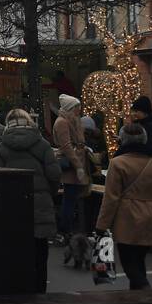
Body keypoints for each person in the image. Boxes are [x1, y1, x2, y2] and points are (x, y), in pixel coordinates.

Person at [0, 108, 61, 292]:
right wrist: (49, 193)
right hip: (40, 204)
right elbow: (54, 174)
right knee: (40, 253)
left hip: (12, 207)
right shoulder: (43, 145)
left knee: (16, 253)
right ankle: (40, 291)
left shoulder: (1, 148)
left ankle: (19, 291)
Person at [96, 123, 152, 289]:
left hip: (126, 219)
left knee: (131, 267)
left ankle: (147, 298)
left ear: (123, 140)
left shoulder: (118, 163)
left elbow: (111, 198)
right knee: (139, 263)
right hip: (147, 216)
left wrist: (101, 225)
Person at [54, 94, 91, 238]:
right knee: (69, 197)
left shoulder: (73, 120)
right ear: (71, 108)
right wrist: (78, 165)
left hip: (78, 161)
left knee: (73, 197)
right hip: (72, 165)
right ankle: (66, 229)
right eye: (77, 106)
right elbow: (66, 145)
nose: (79, 109)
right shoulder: (62, 122)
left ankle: (71, 228)